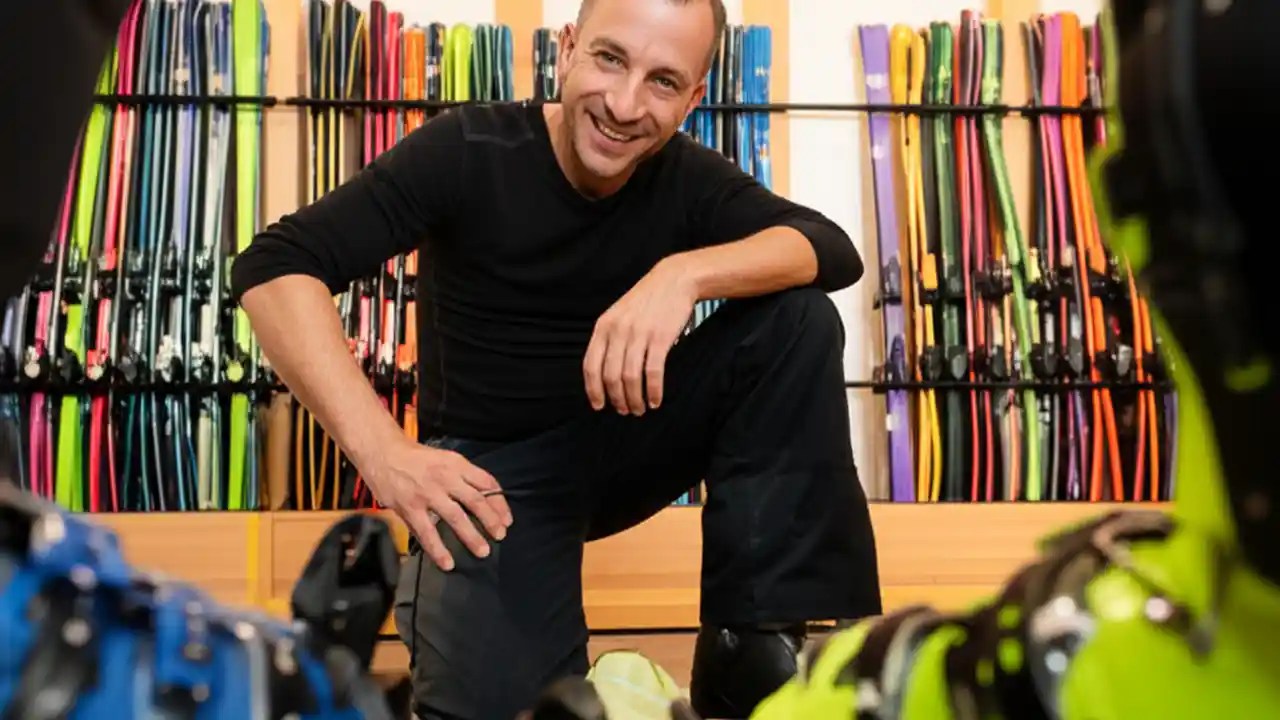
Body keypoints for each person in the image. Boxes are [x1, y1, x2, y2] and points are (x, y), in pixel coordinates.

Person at [229, 0, 884, 717]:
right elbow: (274, 267)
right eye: (610, 59)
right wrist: (385, 453)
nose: (625, 104)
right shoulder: (468, 148)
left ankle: (751, 651)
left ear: (694, 99)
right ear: (567, 50)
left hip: (629, 437)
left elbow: (828, 247)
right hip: (491, 485)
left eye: (663, 82)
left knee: (797, 320)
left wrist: (684, 276)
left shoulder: (686, 176)